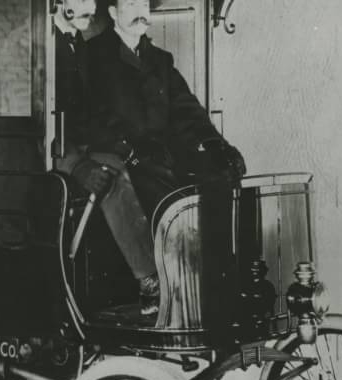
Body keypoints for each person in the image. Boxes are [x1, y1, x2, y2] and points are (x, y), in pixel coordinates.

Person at [85, 0, 248, 327]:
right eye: (130, 3)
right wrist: (126, 147)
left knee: (219, 176)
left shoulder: (160, 61)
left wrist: (217, 147)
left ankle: (219, 287)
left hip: (161, 157)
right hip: (122, 157)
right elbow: (89, 116)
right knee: (159, 190)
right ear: (114, 13)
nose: (140, 10)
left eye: (144, 3)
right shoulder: (92, 57)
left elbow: (188, 113)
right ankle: (159, 286)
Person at [51, 0, 163, 315]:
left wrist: (128, 147)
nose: (91, 6)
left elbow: (96, 111)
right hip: (49, 151)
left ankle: (164, 274)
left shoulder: (80, 47)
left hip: (82, 145)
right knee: (112, 175)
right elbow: (37, 123)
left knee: (146, 170)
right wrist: (76, 165)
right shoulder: (35, 45)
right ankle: (149, 281)